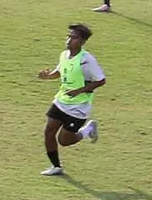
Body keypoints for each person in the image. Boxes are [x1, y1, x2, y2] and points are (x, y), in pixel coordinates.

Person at [35, 22, 105, 176]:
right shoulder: (64, 55)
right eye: (68, 36)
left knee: (64, 141)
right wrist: (47, 76)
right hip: (61, 101)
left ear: (82, 41)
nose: (68, 40)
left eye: (73, 37)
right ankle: (56, 166)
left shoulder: (87, 60)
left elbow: (101, 80)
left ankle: (87, 131)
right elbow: (60, 71)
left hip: (78, 107)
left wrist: (79, 91)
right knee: (48, 132)